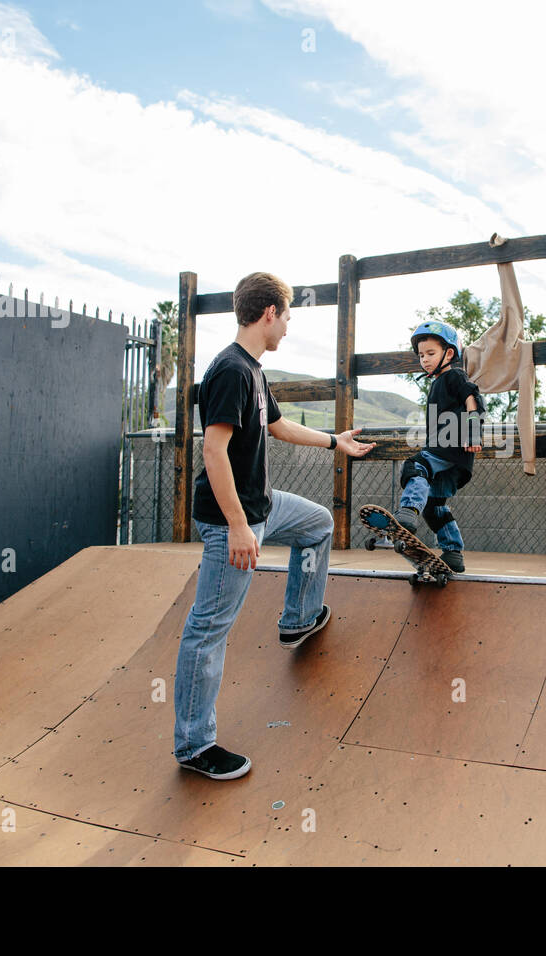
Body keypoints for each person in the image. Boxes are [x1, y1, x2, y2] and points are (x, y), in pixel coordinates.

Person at [173, 271, 375, 781]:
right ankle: (194, 747)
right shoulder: (230, 371)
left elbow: (277, 426)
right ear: (269, 314)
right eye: (287, 318)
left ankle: (297, 618)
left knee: (317, 524)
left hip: (262, 506)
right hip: (231, 521)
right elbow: (213, 451)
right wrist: (240, 528)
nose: (287, 328)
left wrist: (336, 442)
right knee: (207, 630)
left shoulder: (255, 372)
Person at [389, 320, 484, 574]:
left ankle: (408, 511)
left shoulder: (454, 375)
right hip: (453, 456)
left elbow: (473, 396)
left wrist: (474, 430)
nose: (425, 360)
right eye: (421, 355)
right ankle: (453, 551)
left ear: (449, 353)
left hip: (451, 446)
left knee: (416, 466)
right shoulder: (437, 383)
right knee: (435, 505)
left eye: (431, 354)